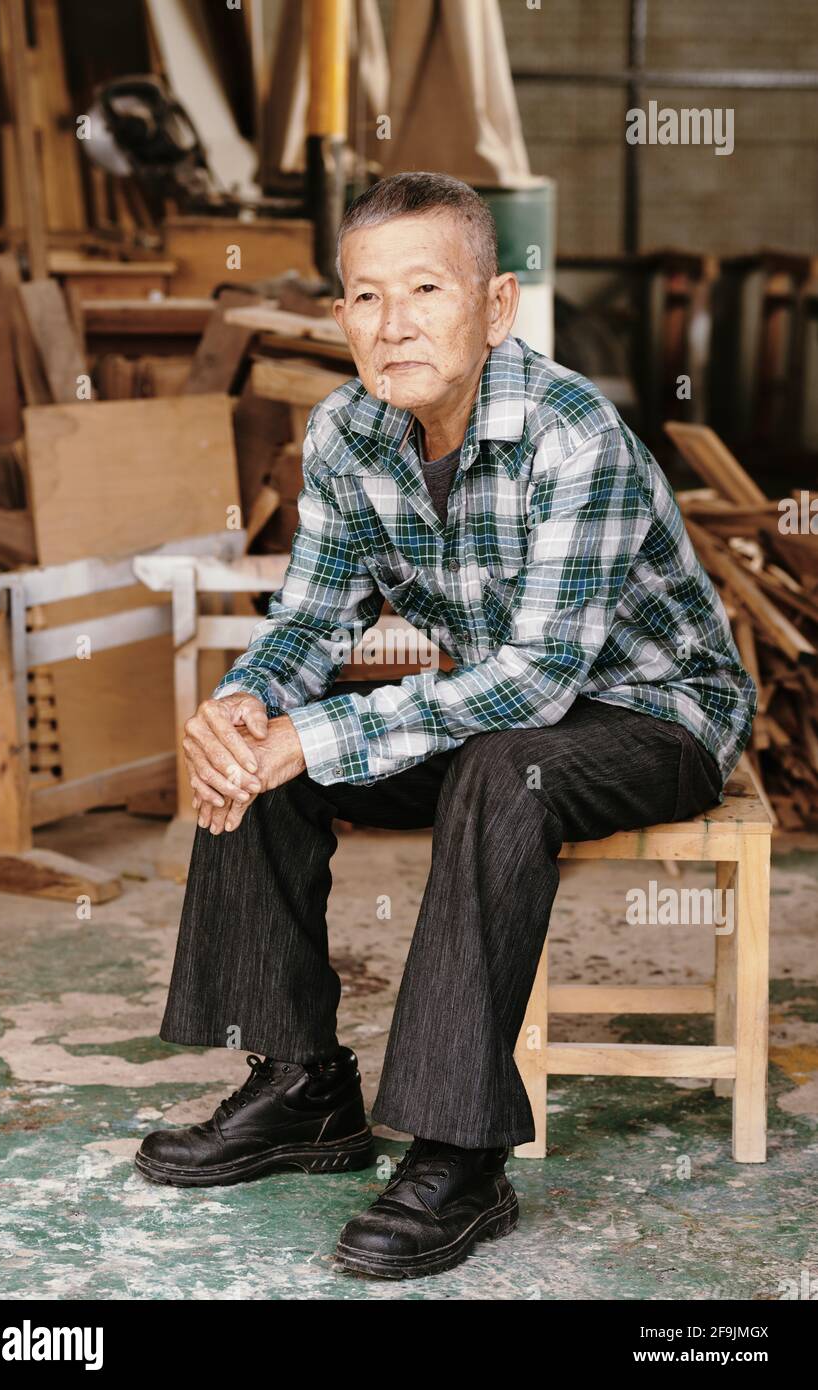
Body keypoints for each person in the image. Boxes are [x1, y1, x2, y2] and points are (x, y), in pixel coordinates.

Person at [136, 171, 756, 1281]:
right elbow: (312, 622)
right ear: (340, 318)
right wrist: (246, 705)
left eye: (425, 287)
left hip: (654, 715)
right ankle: (299, 1087)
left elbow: (533, 684)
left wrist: (314, 734)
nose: (393, 322)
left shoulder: (573, 437)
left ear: (495, 304)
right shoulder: (346, 435)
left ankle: (459, 1152)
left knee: (497, 771)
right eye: (366, 297)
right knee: (271, 749)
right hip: (510, 713)